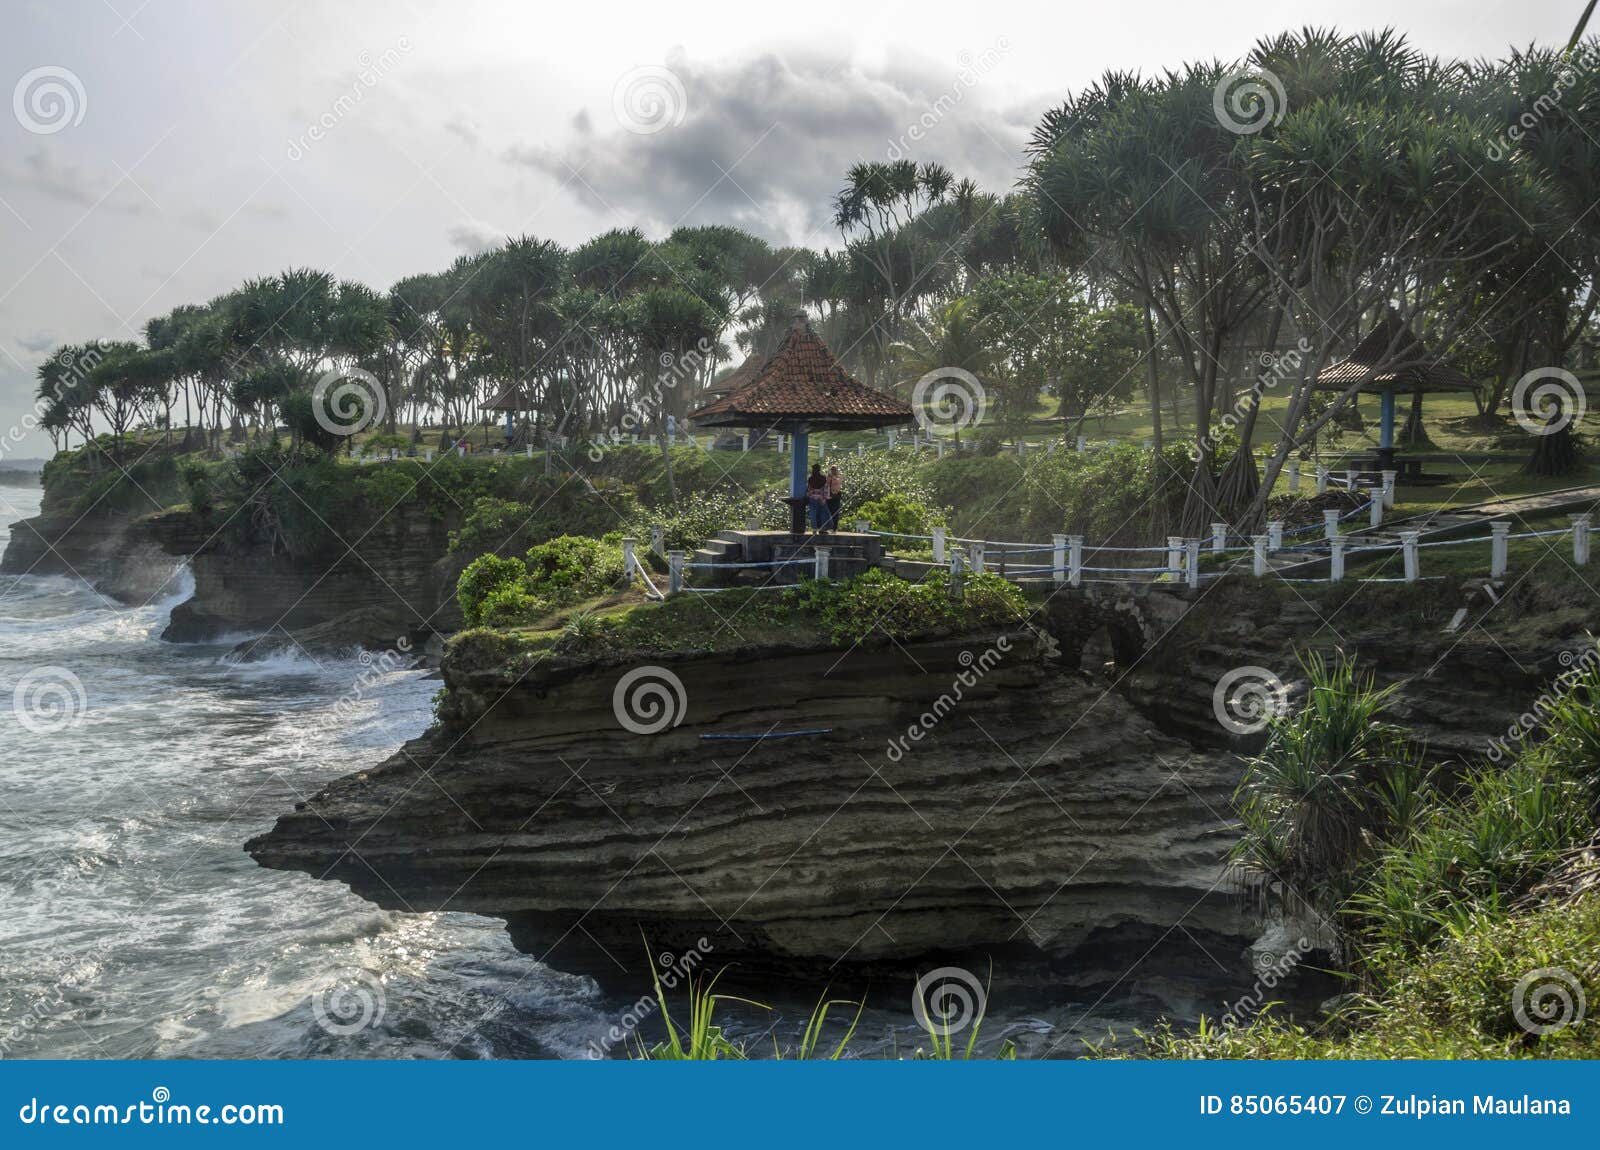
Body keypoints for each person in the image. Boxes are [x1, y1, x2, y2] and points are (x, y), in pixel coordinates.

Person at [807, 463, 829, 533]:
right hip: (821, 498)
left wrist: (809, 496)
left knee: (813, 514)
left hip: (812, 498)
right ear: (819, 470)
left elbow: (809, 489)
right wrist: (825, 498)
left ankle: (814, 529)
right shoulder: (823, 478)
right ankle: (822, 529)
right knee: (823, 514)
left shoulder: (810, 478)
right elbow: (826, 488)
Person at [826, 464, 843, 531]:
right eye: (832, 469)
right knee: (828, 512)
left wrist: (833, 477)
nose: (833, 471)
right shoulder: (829, 477)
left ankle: (834, 527)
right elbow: (827, 484)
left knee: (835, 512)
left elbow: (838, 483)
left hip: (836, 496)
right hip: (829, 496)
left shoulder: (839, 477)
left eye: (834, 469)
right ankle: (828, 527)